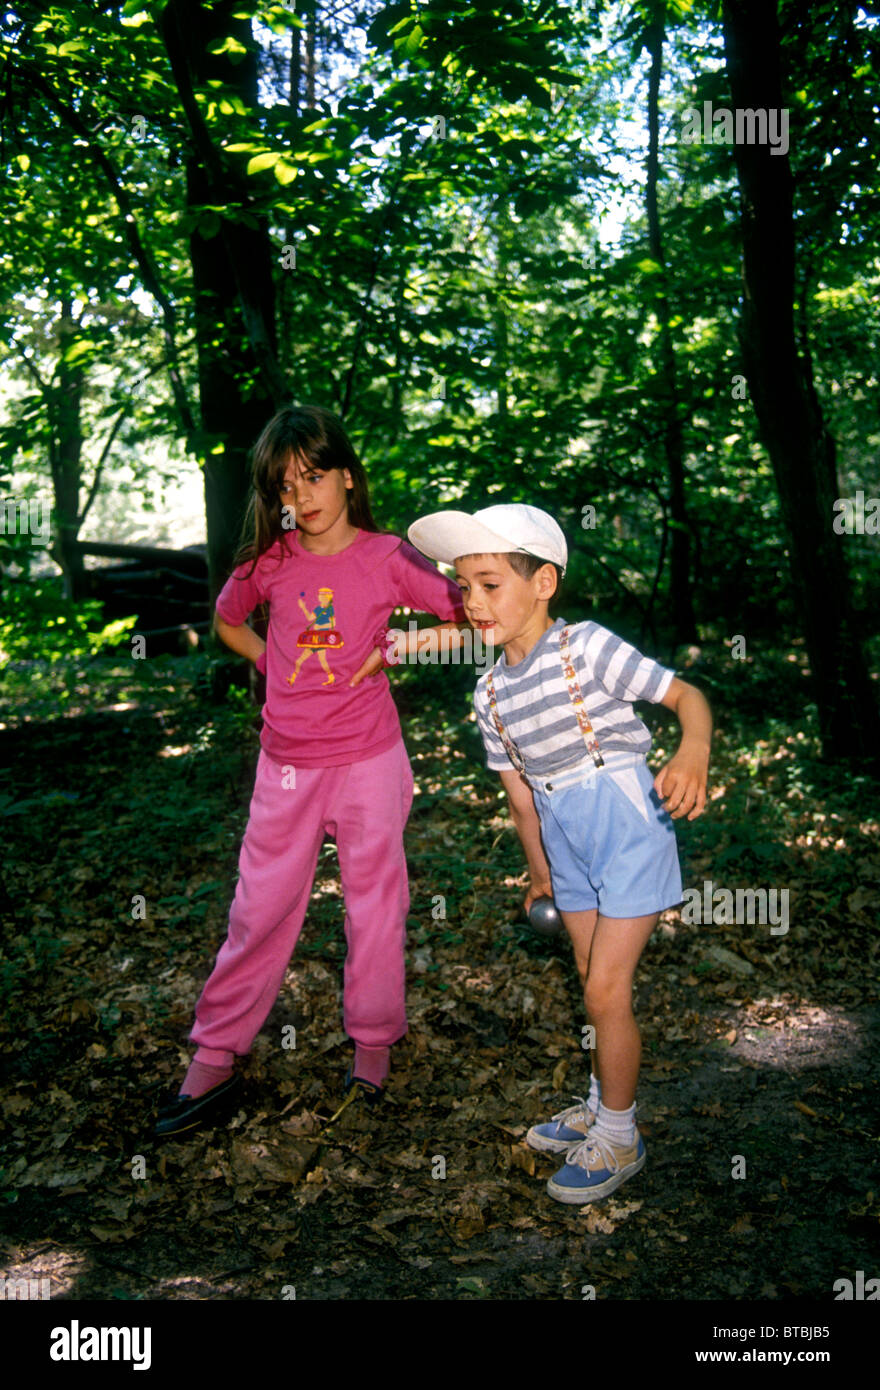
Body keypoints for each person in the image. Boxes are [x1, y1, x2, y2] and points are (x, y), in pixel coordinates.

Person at [154, 405, 465, 1138]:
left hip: (369, 762)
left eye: (315, 476)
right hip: (286, 767)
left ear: (347, 477)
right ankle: (215, 1055)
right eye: (286, 486)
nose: (303, 496)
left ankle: (373, 1048)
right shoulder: (271, 561)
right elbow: (229, 619)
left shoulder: (389, 556)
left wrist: (396, 650)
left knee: (374, 907)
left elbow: (469, 613)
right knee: (258, 910)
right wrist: (274, 665)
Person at [407, 503, 711, 1203]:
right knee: (587, 977)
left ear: (543, 583)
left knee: (606, 989)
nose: (472, 602)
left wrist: (693, 749)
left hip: (626, 824)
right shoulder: (490, 692)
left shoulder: (587, 648)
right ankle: (602, 1105)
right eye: (464, 587)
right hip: (562, 837)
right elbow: (520, 799)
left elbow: (685, 696)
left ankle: (621, 1136)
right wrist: (539, 873)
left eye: (490, 585)